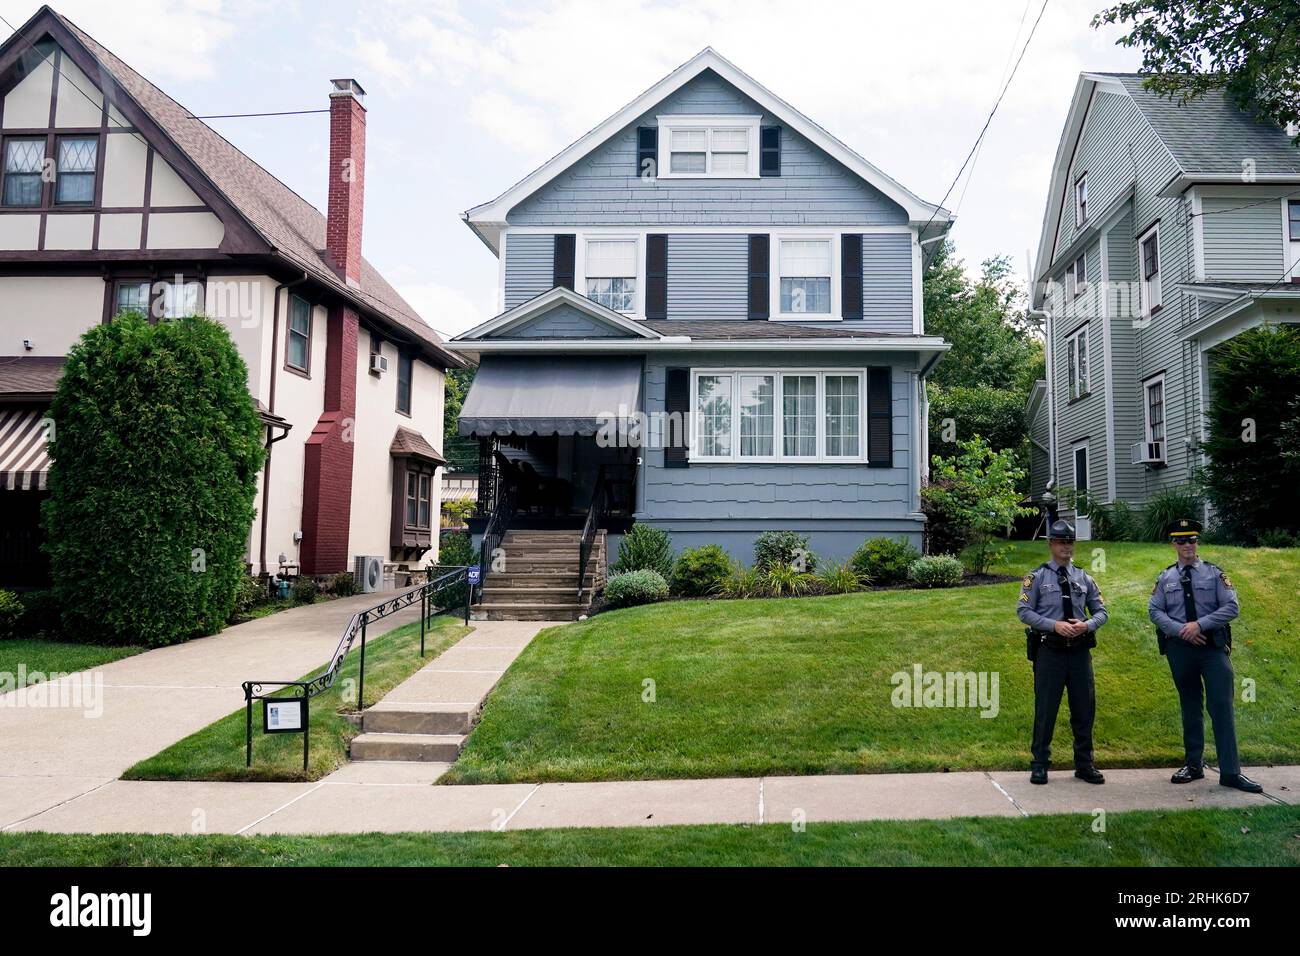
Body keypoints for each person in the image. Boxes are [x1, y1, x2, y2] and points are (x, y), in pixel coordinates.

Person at [1148, 518, 1262, 793]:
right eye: (1182, 540)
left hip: (1212, 649)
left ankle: (1231, 773)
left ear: (1197, 542)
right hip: (1180, 649)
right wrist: (1181, 630)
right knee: (1190, 705)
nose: (1188, 545)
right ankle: (1194, 765)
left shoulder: (1214, 574)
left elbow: (1232, 607)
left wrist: (1199, 625)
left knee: (1221, 706)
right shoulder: (1166, 578)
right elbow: (1155, 611)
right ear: (1173, 544)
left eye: (1193, 539)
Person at [1017, 520, 1108, 785]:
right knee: (1046, 709)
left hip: (1079, 652)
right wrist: (1054, 625)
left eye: (1070, 542)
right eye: (1060, 541)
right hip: (1050, 651)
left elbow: (1102, 612)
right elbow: (1024, 612)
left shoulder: (1084, 578)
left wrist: (1086, 625)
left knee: (1084, 709)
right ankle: (1040, 764)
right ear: (1051, 544)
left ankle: (1084, 764)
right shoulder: (1036, 577)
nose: (1066, 546)